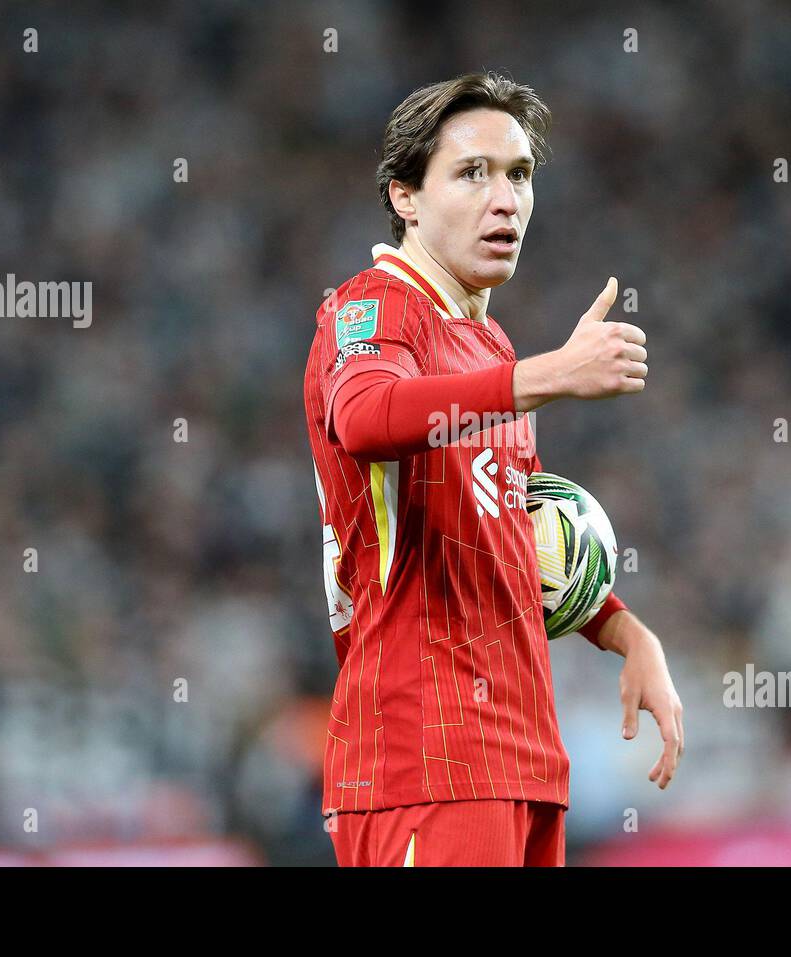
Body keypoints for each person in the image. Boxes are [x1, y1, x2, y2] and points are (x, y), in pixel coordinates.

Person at [302, 72, 683, 866]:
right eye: (472, 173)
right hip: (422, 758)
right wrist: (549, 376)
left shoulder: (489, 344)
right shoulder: (371, 307)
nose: (504, 198)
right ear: (406, 197)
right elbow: (367, 418)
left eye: (519, 174)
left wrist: (624, 629)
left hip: (521, 758)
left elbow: (510, 537)